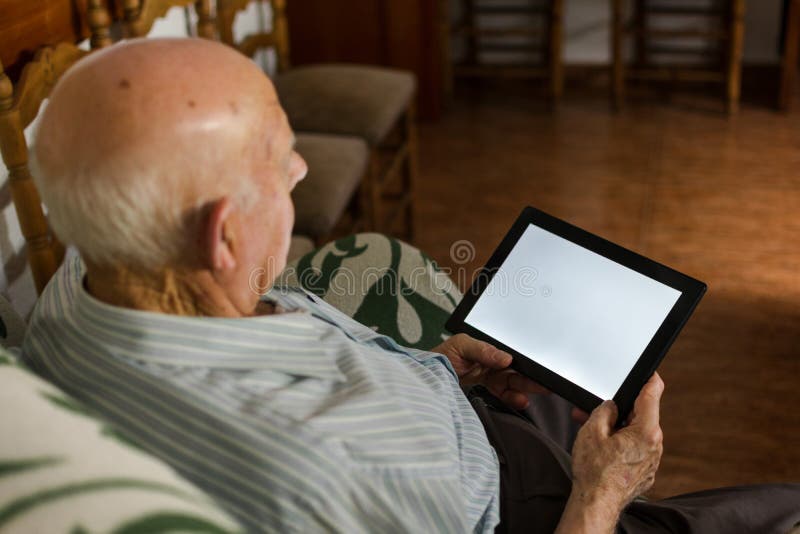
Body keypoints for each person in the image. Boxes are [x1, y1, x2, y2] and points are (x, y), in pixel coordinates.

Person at [23, 37, 800, 533]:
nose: (301, 170)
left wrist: (431, 365)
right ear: (223, 235)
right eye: (283, 158)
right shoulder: (331, 477)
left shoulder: (81, 283)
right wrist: (601, 494)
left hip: (447, 409)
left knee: (562, 374)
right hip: (520, 505)